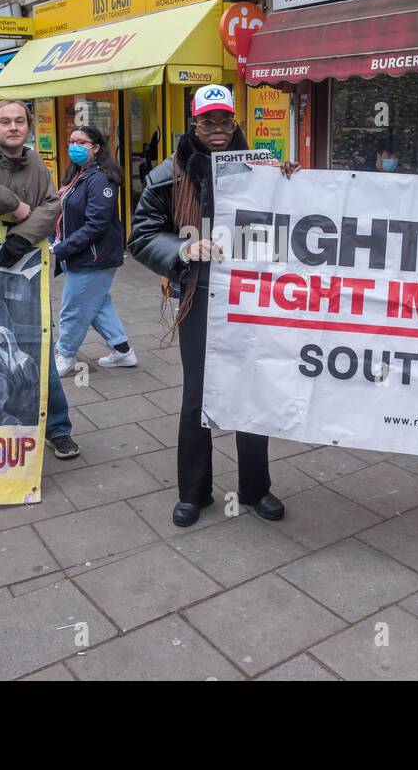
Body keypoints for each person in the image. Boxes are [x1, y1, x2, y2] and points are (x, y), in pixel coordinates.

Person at [128, 84, 297, 527]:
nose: (217, 129)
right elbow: (142, 236)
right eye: (208, 121)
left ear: (235, 122)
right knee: (197, 395)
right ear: (194, 123)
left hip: (253, 295)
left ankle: (256, 489)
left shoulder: (263, 168)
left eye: (225, 121)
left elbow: (293, 219)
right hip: (201, 298)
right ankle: (194, 492)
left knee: (252, 387)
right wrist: (183, 251)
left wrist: (293, 183)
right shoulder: (168, 174)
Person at [0, 99, 80, 460]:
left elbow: (52, 205)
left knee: (37, 349)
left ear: (28, 126)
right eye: (4, 121)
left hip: (23, 274)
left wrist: (22, 238)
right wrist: (10, 203)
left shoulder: (36, 163)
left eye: (19, 120)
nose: (12, 126)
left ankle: (57, 428)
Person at [51, 124, 136, 377]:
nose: (74, 146)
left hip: (93, 257)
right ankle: (123, 352)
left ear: (96, 148)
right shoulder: (79, 175)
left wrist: (64, 247)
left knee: (74, 308)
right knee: (97, 304)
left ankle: (65, 356)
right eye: (71, 141)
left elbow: (96, 224)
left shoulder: (100, 179)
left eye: (81, 142)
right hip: (82, 254)